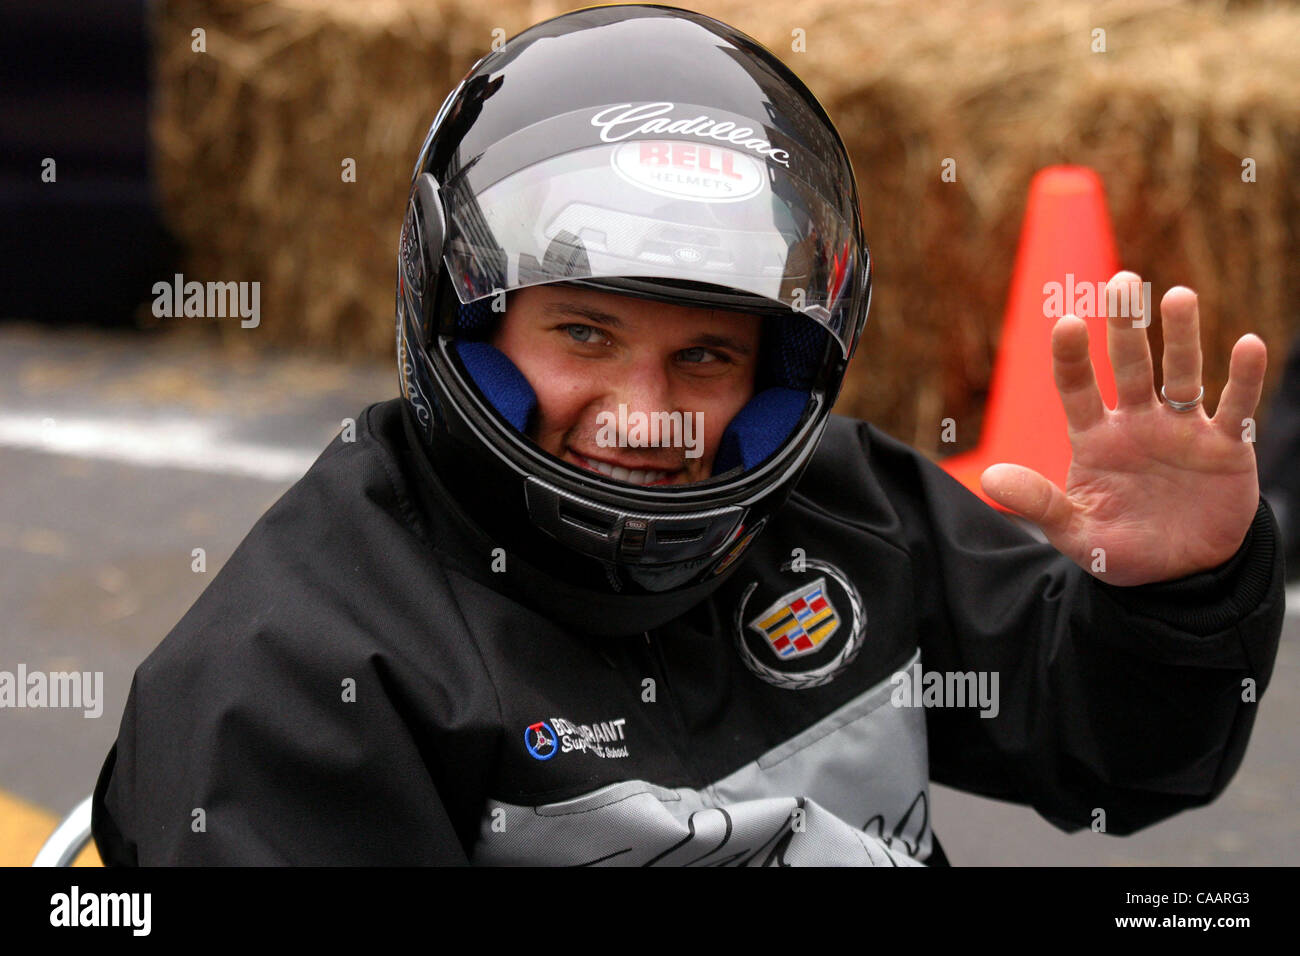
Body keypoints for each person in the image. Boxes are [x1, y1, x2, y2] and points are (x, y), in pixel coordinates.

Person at [91, 4, 1284, 866]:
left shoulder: (839, 504)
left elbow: (1121, 761)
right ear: (459, 320)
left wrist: (1173, 600)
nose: (644, 412)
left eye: (705, 356)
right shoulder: (300, 673)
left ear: (781, 378)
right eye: (586, 334)